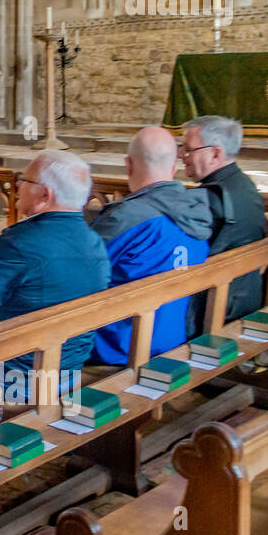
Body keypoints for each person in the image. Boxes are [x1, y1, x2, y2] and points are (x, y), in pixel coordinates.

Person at [0, 150, 110, 401]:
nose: (18, 186)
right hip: (69, 372)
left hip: (14, 379)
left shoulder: (21, 242)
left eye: (25, 181)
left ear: (45, 195)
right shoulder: (94, 241)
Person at [87, 126, 212, 365]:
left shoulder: (124, 218)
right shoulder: (197, 212)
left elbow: (77, 271)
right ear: (174, 168)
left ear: (129, 165)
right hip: (173, 337)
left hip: (118, 348)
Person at [181, 115, 268, 328]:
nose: (183, 156)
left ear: (215, 153)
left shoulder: (208, 200)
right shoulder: (245, 185)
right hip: (247, 298)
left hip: (213, 310)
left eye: (189, 149)